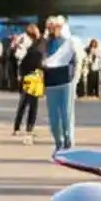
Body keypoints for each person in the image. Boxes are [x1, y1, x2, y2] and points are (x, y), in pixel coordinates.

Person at [42, 16, 79, 151]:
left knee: (67, 113)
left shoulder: (67, 43)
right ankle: (58, 141)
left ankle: (68, 141)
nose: (53, 29)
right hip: (51, 83)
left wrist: (72, 75)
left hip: (66, 81)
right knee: (53, 117)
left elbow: (74, 61)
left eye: (56, 27)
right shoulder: (44, 44)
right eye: (50, 27)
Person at [13, 24, 45, 144]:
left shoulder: (39, 43)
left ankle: (26, 127)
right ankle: (22, 127)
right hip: (31, 74)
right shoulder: (36, 43)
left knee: (30, 103)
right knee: (26, 102)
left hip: (33, 75)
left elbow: (35, 58)